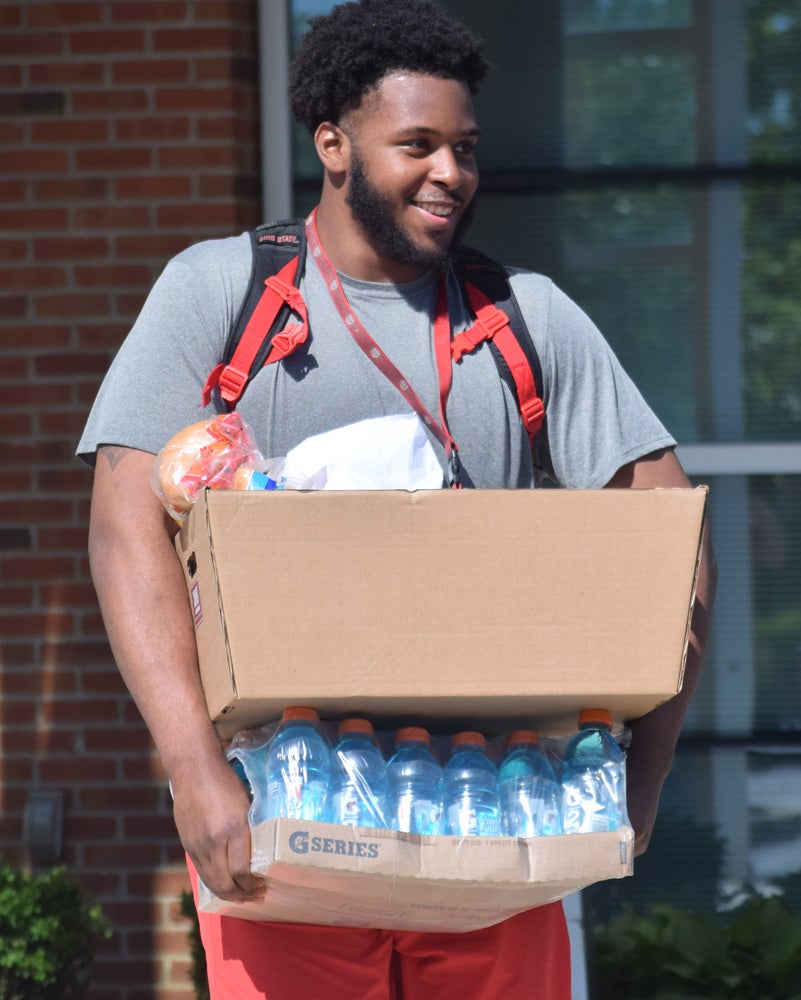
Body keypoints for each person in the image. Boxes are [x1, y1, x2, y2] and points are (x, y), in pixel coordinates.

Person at [78, 1, 716, 997]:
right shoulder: (220, 294)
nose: (450, 174)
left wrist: (642, 779)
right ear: (332, 142)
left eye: (464, 147)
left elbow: (674, 539)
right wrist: (196, 772)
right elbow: (125, 531)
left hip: (498, 808)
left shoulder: (526, 316)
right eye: (416, 144)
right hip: (283, 809)